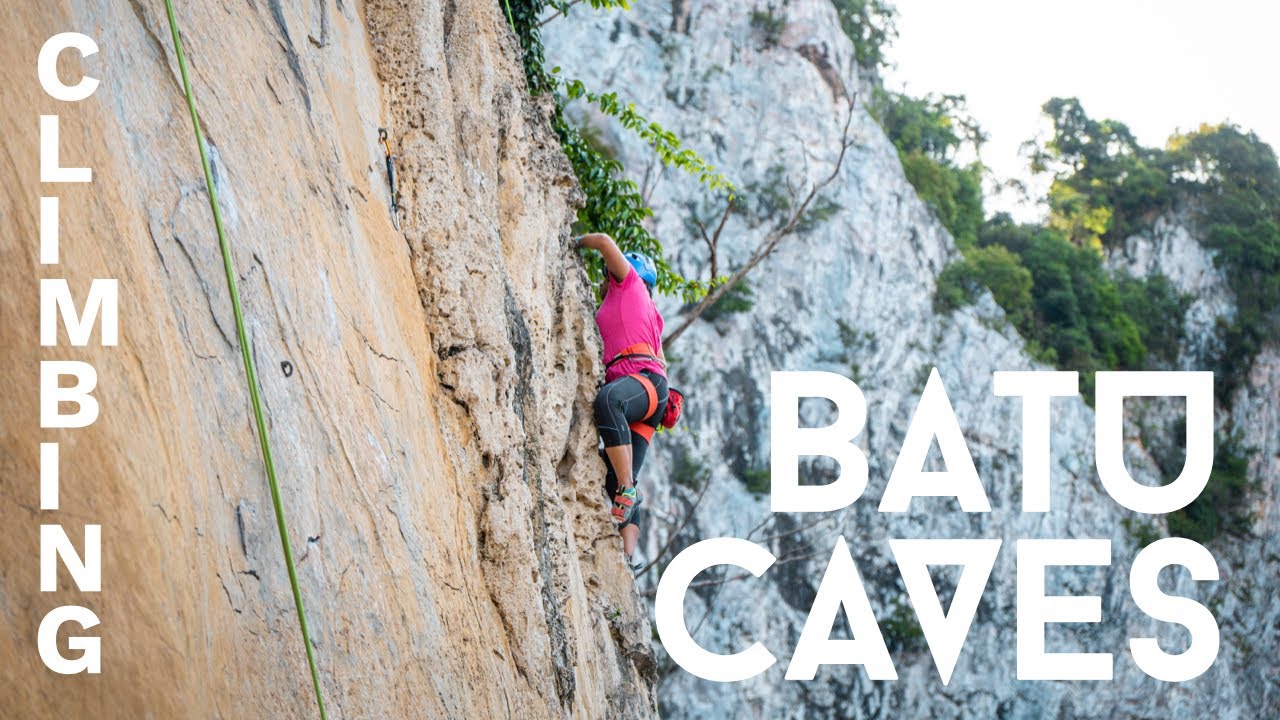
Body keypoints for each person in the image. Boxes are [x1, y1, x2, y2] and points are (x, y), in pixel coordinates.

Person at [575, 233, 669, 573]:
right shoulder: (651, 315)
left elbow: (602, 240)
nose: (606, 277)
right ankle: (629, 559)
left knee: (608, 401)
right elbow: (662, 362)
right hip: (651, 394)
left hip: (639, 384)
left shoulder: (627, 284)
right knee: (616, 477)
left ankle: (627, 490)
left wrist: (572, 241)